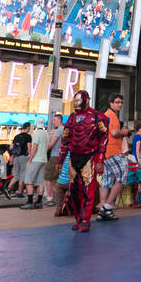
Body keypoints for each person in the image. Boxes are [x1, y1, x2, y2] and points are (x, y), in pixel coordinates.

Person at [61, 90, 108, 232]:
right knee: (74, 190)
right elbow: (65, 139)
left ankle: (86, 220)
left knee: (88, 189)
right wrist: (61, 159)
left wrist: (100, 159)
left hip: (90, 156)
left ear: (87, 100)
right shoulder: (72, 118)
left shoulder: (98, 117)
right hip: (74, 157)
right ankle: (78, 218)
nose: (77, 105)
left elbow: (104, 138)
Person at [99, 93, 132, 220]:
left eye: (121, 102)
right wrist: (124, 132)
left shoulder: (107, 115)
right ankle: (107, 207)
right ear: (111, 103)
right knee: (123, 175)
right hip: (113, 151)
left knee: (107, 180)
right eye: (117, 102)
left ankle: (104, 210)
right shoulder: (111, 115)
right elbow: (114, 132)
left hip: (106, 152)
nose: (120, 104)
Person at [19, 116, 51, 210]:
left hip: (36, 159)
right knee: (41, 181)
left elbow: (35, 147)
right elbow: (47, 147)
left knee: (29, 180)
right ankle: (39, 202)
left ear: (37, 125)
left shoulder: (37, 133)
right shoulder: (46, 134)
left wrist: (30, 159)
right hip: (44, 160)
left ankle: (30, 202)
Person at [45, 113, 65, 206]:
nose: (53, 122)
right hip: (62, 156)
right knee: (56, 178)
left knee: (47, 177)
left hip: (55, 156)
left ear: (59, 120)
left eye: (54, 120)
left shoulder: (58, 130)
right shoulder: (65, 129)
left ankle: (50, 198)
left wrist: (44, 152)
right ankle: (57, 199)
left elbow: (51, 144)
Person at [9, 123, 32, 197]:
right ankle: (19, 192)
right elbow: (29, 148)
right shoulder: (28, 137)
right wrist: (31, 155)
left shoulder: (16, 136)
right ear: (28, 128)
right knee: (22, 175)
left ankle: (7, 188)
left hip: (16, 157)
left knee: (16, 175)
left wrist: (12, 157)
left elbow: (11, 147)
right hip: (23, 157)